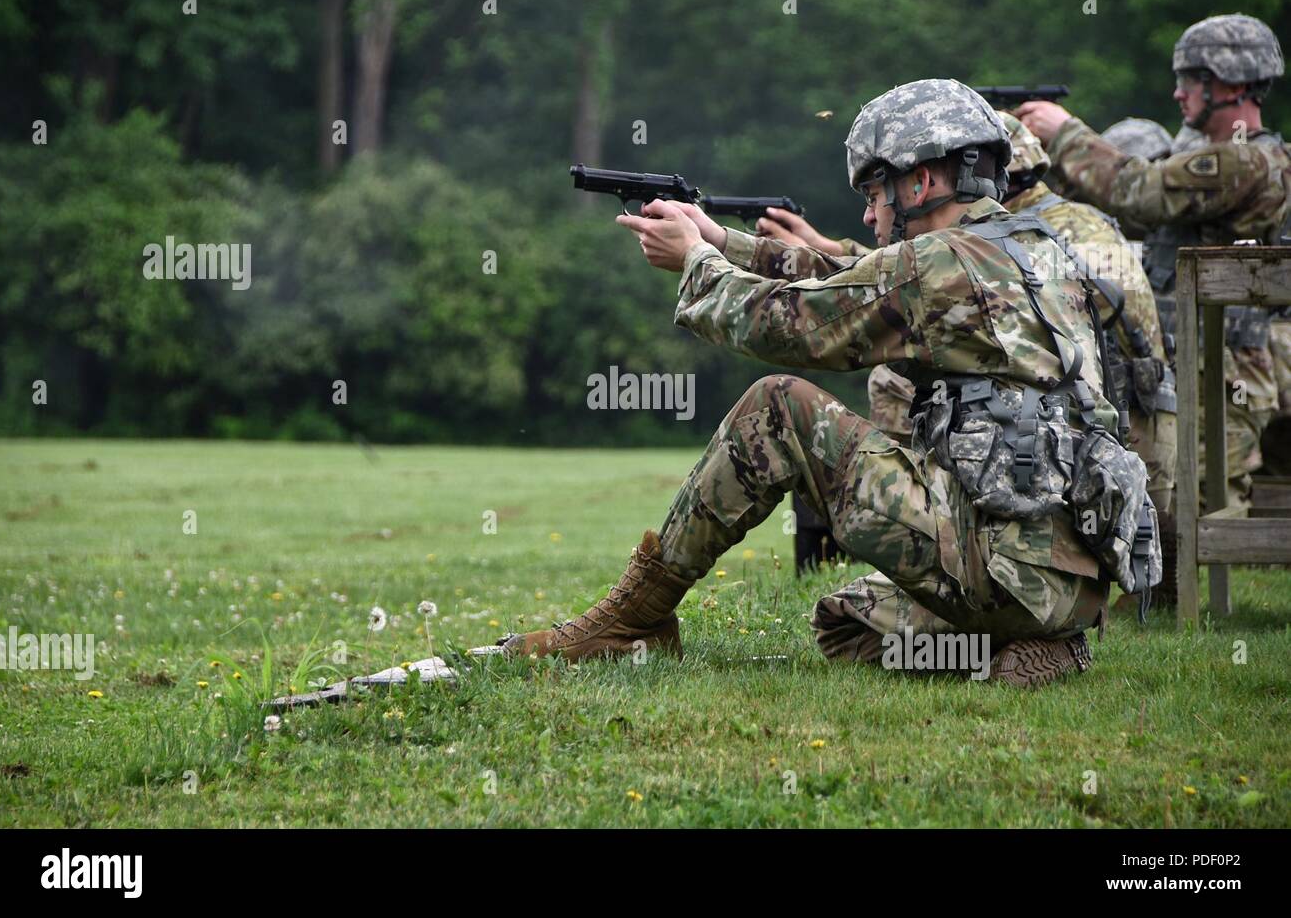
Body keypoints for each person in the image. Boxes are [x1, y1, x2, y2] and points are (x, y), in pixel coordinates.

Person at [495, 79, 1158, 686]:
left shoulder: (939, 266)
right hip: (1065, 581)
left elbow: (795, 325)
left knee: (779, 409)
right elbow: (857, 277)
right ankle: (1034, 648)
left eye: (874, 195)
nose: (868, 217)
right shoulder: (1035, 250)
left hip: (1006, 568)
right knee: (848, 621)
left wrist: (694, 263)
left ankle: (633, 619)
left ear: (920, 182)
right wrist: (721, 241)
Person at [765, 112, 1178, 608]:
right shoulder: (1043, 231)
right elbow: (925, 277)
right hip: (1111, 450)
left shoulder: (1033, 235)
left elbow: (931, 280)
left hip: (1108, 442)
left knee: (896, 383)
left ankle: (941, 546)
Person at [1016, 13, 1291, 511]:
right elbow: (1139, 214)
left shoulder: (1244, 159)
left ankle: (1205, 591)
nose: (1178, 94)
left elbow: (1142, 193)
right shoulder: (1226, 159)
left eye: (1190, 80)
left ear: (1232, 84)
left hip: (1223, 363)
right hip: (1200, 356)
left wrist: (1065, 134)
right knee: (1171, 499)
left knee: (1210, 504)